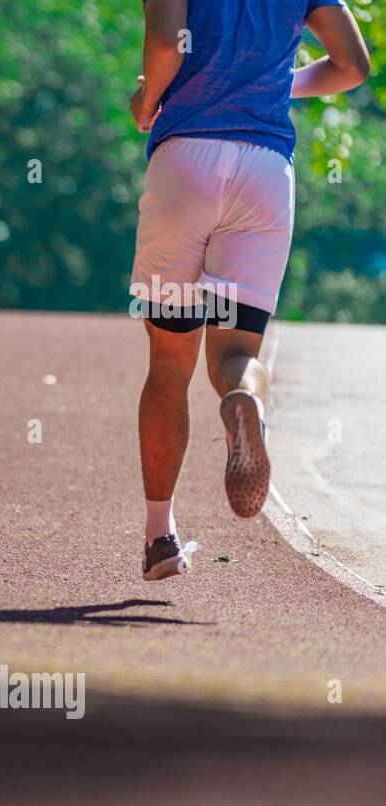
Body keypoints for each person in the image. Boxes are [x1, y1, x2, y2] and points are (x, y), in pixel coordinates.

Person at [129, 0, 369, 581]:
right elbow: (353, 65)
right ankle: (246, 403)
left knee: (168, 360)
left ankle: (160, 536)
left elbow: (166, 41)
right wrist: (276, 81)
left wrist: (145, 102)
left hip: (184, 159)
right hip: (264, 172)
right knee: (237, 354)